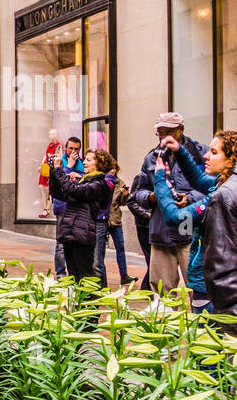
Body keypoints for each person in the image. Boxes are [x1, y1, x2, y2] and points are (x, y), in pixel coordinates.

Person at [162, 130, 237, 323]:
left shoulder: (222, 194)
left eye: (214, 152)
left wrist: (160, 179)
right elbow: (199, 179)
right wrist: (180, 151)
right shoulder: (226, 182)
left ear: (231, 159)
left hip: (211, 287)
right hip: (217, 285)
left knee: (207, 338)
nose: (206, 155)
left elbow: (175, 217)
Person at [134, 112, 209, 296]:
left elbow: (212, 186)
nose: (163, 137)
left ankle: (199, 315)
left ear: (180, 130)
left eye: (168, 132)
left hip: (189, 227)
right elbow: (139, 192)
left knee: (197, 288)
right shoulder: (152, 158)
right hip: (161, 230)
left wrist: (190, 198)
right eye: (160, 132)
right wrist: (150, 197)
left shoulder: (200, 153)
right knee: (162, 292)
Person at [48, 147, 114, 283]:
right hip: (70, 233)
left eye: (88, 160)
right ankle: (81, 297)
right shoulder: (85, 181)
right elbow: (58, 193)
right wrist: (53, 170)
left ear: (99, 164)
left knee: (85, 277)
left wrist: (59, 169)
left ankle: (94, 297)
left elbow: (72, 190)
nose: (84, 162)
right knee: (74, 275)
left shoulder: (99, 184)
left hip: (82, 235)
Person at [51, 136, 84, 276]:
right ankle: (60, 274)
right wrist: (69, 167)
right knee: (61, 243)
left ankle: (73, 272)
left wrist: (79, 176)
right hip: (62, 206)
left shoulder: (81, 163)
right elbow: (57, 181)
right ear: (66, 148)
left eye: (76, 149)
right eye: (71, 148)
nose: (73, 151)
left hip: (77, 207)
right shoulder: (60, 161)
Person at [97, 163, 132, 289]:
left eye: (114, 168)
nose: (113, 170)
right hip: (103, 220)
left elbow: (123, 202)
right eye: (110, 168)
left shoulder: (120, 183)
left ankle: (124, 275)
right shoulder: (102, 182)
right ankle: (101, 279)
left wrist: (125, 194)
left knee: (120, 247)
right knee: (100, 251)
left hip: (115, 220)